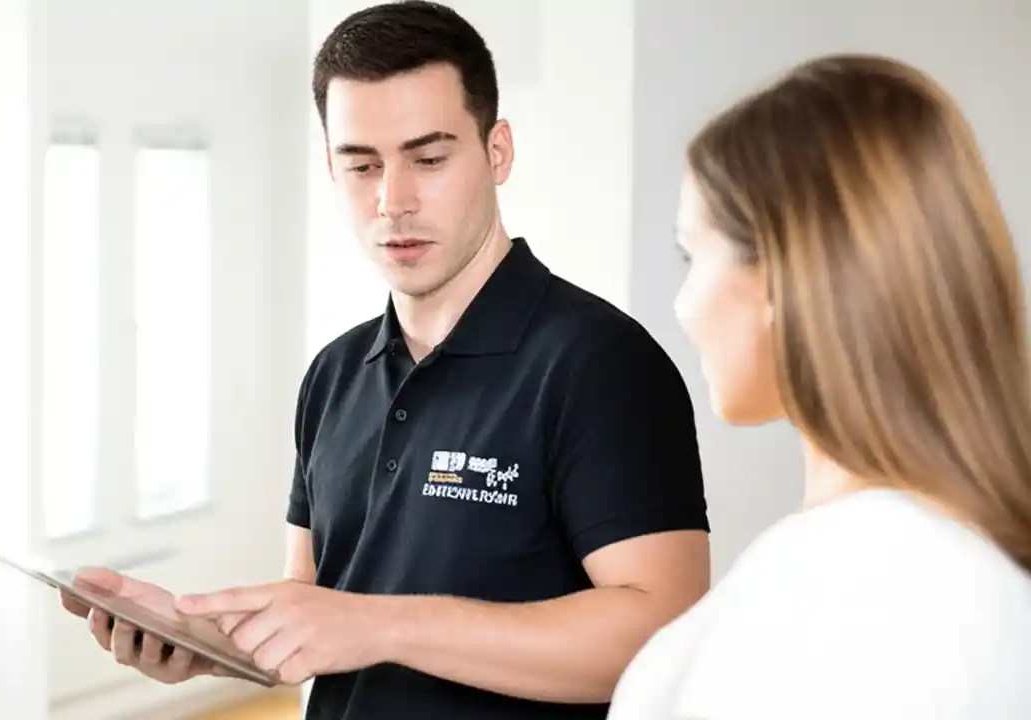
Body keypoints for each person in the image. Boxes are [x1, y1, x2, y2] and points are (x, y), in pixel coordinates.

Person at [62, 2, 711, 717]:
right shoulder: (334, 375)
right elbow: (318, 607)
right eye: (362, 165)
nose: (392, 200)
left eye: (428, 159)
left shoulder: (600, 363)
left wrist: (385, 624)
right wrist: (198, 637)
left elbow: (665, 634)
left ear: (498, 152)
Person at [608, 54, 1031, 720]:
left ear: (779, 274)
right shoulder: (962, 571)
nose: (682, 305)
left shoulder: (853, 586)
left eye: (692, 256)